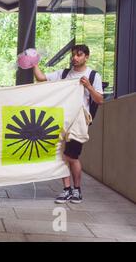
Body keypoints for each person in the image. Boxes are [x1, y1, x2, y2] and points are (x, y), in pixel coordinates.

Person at [33, 44, 103, 204]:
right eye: (73, 55)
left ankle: (77, 190)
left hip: (79, 121)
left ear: (86, 57)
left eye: (79, 55)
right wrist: (34, 63)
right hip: (61, 119)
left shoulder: (93, 75)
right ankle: (67, 189)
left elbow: (99, 100)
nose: (75, 58)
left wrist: (88, 86)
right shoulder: (64, 73)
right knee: (60, 156)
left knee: (71, 155)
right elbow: (41, 78)